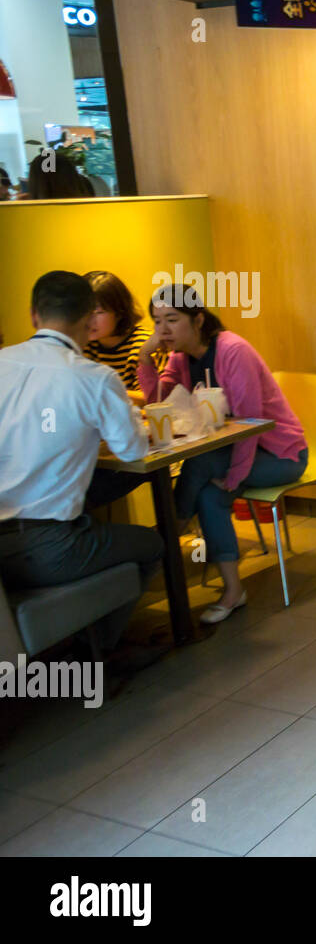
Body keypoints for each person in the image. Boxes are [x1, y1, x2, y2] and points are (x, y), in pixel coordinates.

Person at [0, 271, 163, 670]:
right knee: (152, 545)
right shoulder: (94, 377)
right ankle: (104, 650)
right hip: (49, 548)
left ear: (34, 314)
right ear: (89, 320)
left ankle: (84, 639)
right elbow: (131, 449)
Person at [136, 284, 308, 623]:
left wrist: (235, 477)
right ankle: (233, 591)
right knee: (210, 498)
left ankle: (170, 532)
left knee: (200, 465)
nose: (163, 330)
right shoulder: (179, 357)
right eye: (157, 322)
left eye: (172, 320)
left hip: (281, 453)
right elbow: (157, 402)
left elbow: (250, 422)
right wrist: (145, 359)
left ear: (197, 319)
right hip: (233, 454)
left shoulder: (233, 351)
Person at [83, 271, 156, 396]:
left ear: (119, 312)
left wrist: (102, 391)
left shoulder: (144, 344)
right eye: (84, 311)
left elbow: (151, 397)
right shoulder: (84, 346)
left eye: (98, 312)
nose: (89, 319)